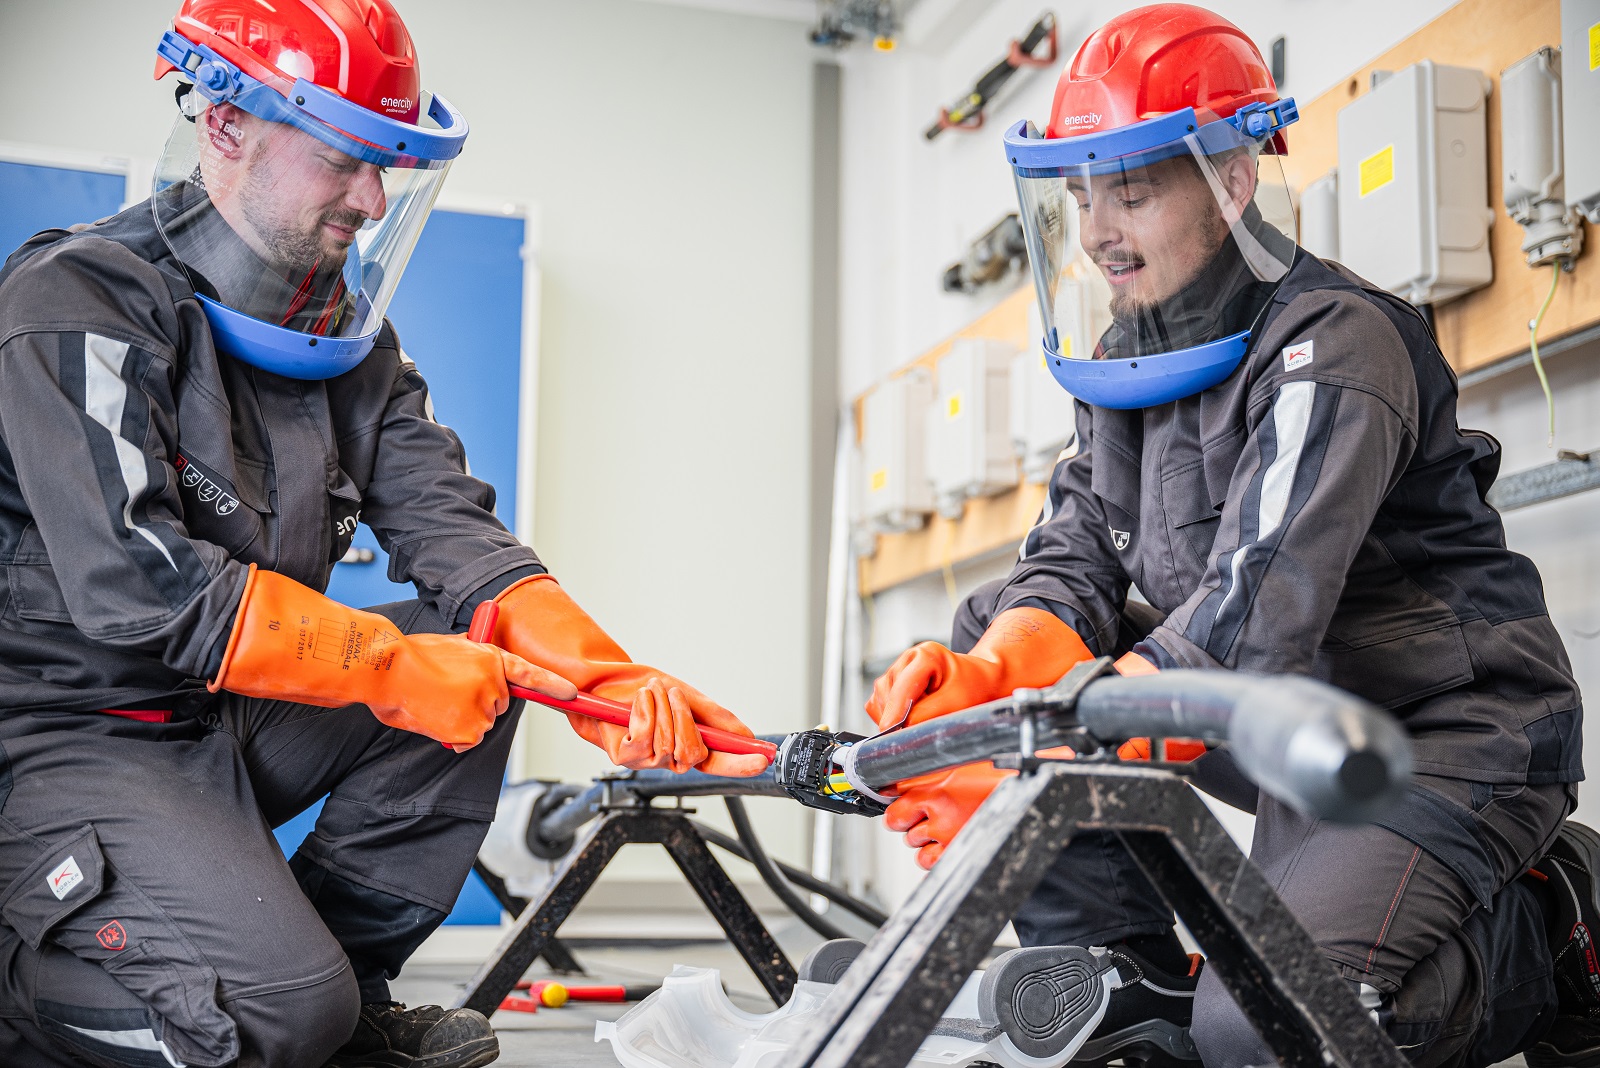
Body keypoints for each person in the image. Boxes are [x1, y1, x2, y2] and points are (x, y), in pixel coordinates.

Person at [0, 2, 765, 1065]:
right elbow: (145, 585)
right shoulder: (75, 298)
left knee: (485, 678)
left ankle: (344, 996)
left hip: (218, 721)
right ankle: (33, 994)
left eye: (389, 165)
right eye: (346, 159)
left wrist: (609, 682)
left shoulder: (338, 334)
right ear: (226, 125)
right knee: (277, 1019)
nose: (372, 198)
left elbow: (454, 531)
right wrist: (386, 664)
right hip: (67, 738)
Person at [867, 6, 1595, 1066]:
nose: (1097, 232)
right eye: (1079, 196)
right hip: (1287, 736)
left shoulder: (1334, 345)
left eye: (1129, 188)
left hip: (1438, 737)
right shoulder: (1129, 355)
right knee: (1003, 640)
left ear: (1231, 178)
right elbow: (1072, 558)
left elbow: (1249, 621)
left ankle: (1553, 934)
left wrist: (1030, 750)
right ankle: (1136, 981)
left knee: (1270, 1025)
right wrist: (979, 688)